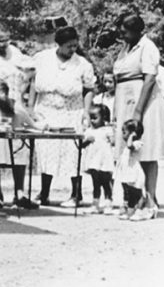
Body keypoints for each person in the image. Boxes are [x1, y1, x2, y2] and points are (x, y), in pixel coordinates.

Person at [29, 25, 95, 207]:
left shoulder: (82, 64)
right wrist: (30, 107)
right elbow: (33, 82)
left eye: (75, 46)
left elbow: (89, 89)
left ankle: (76, 194)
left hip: (71, 111)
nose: (72, 49)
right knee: (46, 152)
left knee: (72, 152)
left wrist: (86, 113)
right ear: (59, 44)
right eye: (69, 46)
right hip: (46, 110)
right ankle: (44, 193)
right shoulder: (42, 58)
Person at [112, 15, 164, 220]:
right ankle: (133, 200)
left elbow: (150, 79)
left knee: (146, 151)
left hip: (144, 103)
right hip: (125, 100)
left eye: (125, 31)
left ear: (136, 31)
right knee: (127, 153)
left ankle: (150, 201)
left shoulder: (147, 47)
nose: (122, 34)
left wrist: (138, 111)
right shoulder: (125, 49)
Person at [0, 21, 35, 209]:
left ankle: (19, 192)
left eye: (7, 39)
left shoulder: (15, 52)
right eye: (0, 40)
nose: (5, 44)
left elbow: (30, 70)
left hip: (15, 104)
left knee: (19, 148)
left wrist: (22, 88)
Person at [80, 104, 115, 214]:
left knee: (106, 183)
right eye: (91, 118)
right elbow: (81, 145)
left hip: (105, 161)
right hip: (93, 161)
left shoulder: (107, 130)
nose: (92, 121)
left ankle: (108, 203)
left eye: (95, 118)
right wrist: (87, 141)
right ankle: (95, 203)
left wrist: (112, 137)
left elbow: (113, 142)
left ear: (104, 118)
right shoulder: (89, 131)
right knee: (95, 183)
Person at [113, 118, 147, 220]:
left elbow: (129, 146)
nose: (123, 135)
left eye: (124, 132)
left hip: (134, 172)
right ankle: (128, 209)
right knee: (127, 191)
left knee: (134, 192)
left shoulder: (137, 144)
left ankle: (136, 210)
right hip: (127, 172)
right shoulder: (127, 146)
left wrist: (131, 137)